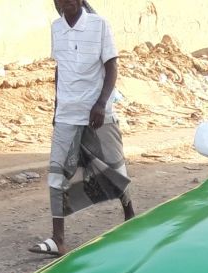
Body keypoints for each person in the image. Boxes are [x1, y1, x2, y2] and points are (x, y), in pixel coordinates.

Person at [29, 0, 134, 256]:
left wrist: (100, 103)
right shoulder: (56, 28)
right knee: (56, 173)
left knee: (114, 164)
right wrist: (56, 110)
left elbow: (111, 66)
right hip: (67, 113)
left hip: (98, 111)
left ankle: (131, 218)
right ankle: (58, 239)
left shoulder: (99, 25)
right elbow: (60, 70)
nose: (68, 2)